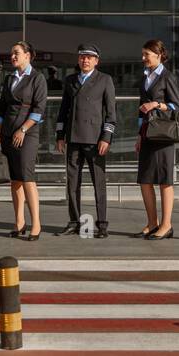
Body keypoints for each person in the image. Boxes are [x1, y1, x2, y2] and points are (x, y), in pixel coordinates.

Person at [55, 43, 116, 238]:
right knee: (72, 183)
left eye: (89, 57)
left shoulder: (105, 80)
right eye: (82, 57)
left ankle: (102, 224)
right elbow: (63, 111)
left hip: (95, 139)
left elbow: (111, 114)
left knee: (99, 183)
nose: (85, 60)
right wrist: (60, 136)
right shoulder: (70, 80)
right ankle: (74, 221)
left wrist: (106, 137)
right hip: (73, 138)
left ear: (96, 61)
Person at [0, 41, 48, 241]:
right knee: (14, 179)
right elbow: (1, 107)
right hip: (7, 133)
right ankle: (19, 222)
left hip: (27, 134)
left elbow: (39, 110)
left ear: (28, 55)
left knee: (27, 178)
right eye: (11, 53)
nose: (12, 56)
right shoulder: (9, 79)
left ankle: (36, 224)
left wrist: (23, 129)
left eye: (16, 53)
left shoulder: (37, 78)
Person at [135, 39, 179, 240]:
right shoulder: (144, 77)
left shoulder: (167, 76)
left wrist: (156, 104)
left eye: (147, 54)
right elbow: (140, 108)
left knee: (163, 180)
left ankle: (166, 225)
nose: (143, 58)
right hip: (147, 133)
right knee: (145, 180)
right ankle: (152, 222)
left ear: (159, 55)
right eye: (143, 54)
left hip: (163, 134)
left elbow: (176, 106)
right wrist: (139, 134)